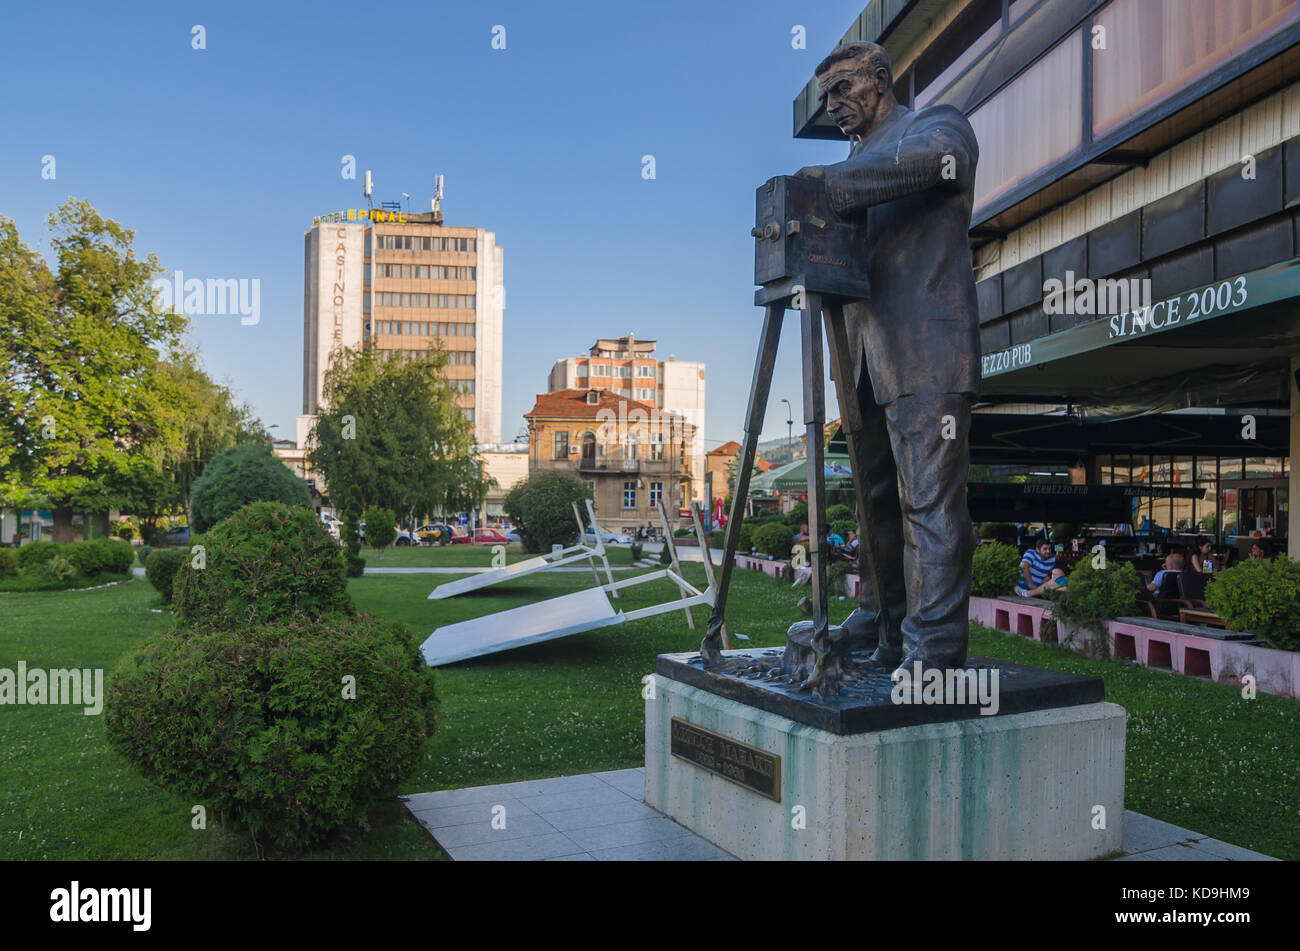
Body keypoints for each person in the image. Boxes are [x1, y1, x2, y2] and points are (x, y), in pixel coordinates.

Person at [790, 40, 981, 678]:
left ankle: (936, 647)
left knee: (927, 499)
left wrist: (827, 185)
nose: (835, 105)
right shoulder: (852, 162)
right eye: (826, 98)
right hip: (863, 360)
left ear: (879, 78)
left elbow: (944, 161)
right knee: (876, 502)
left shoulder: (937, 126)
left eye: (844, 88)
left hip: (927, 346)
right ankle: (884, 619)